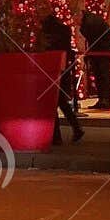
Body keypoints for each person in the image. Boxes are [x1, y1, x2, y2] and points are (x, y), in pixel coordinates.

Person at [40, 11, 84, 144]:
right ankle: (74, 129)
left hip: (50, 69)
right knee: (61, 101)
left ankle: (57, 136)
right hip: (63, 69)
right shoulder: (64, 29)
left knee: (53, 102)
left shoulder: (46, 33)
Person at [79, 3, 110, 110]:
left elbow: (93, 39)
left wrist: (89, 53)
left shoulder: (90, 22)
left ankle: (105, 100)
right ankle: (102, 99)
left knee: (103, 75)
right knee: (99, 75)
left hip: (102, 50)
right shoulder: (88, 20)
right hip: (99, 50)